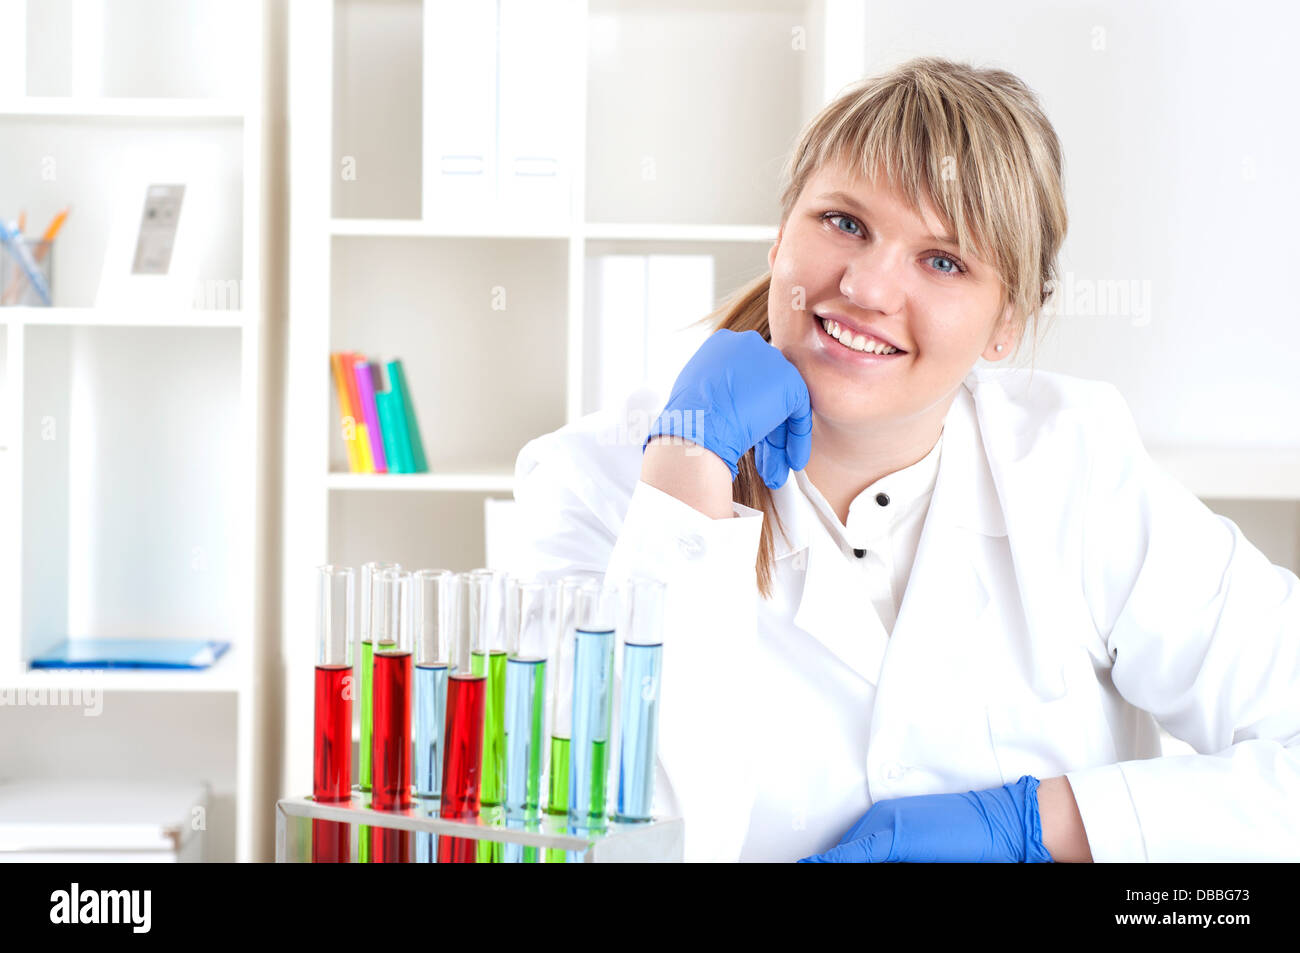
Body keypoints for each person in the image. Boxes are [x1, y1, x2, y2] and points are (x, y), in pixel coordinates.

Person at [510, 57, 1300, 862]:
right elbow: (602, 840)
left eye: (945, 261)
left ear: (1007, 326)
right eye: (844, 222)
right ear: (781, 233)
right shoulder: (594, 482)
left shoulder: (1075, 463)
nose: (867, 285)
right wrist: (687, 473)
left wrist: (1043, 824)